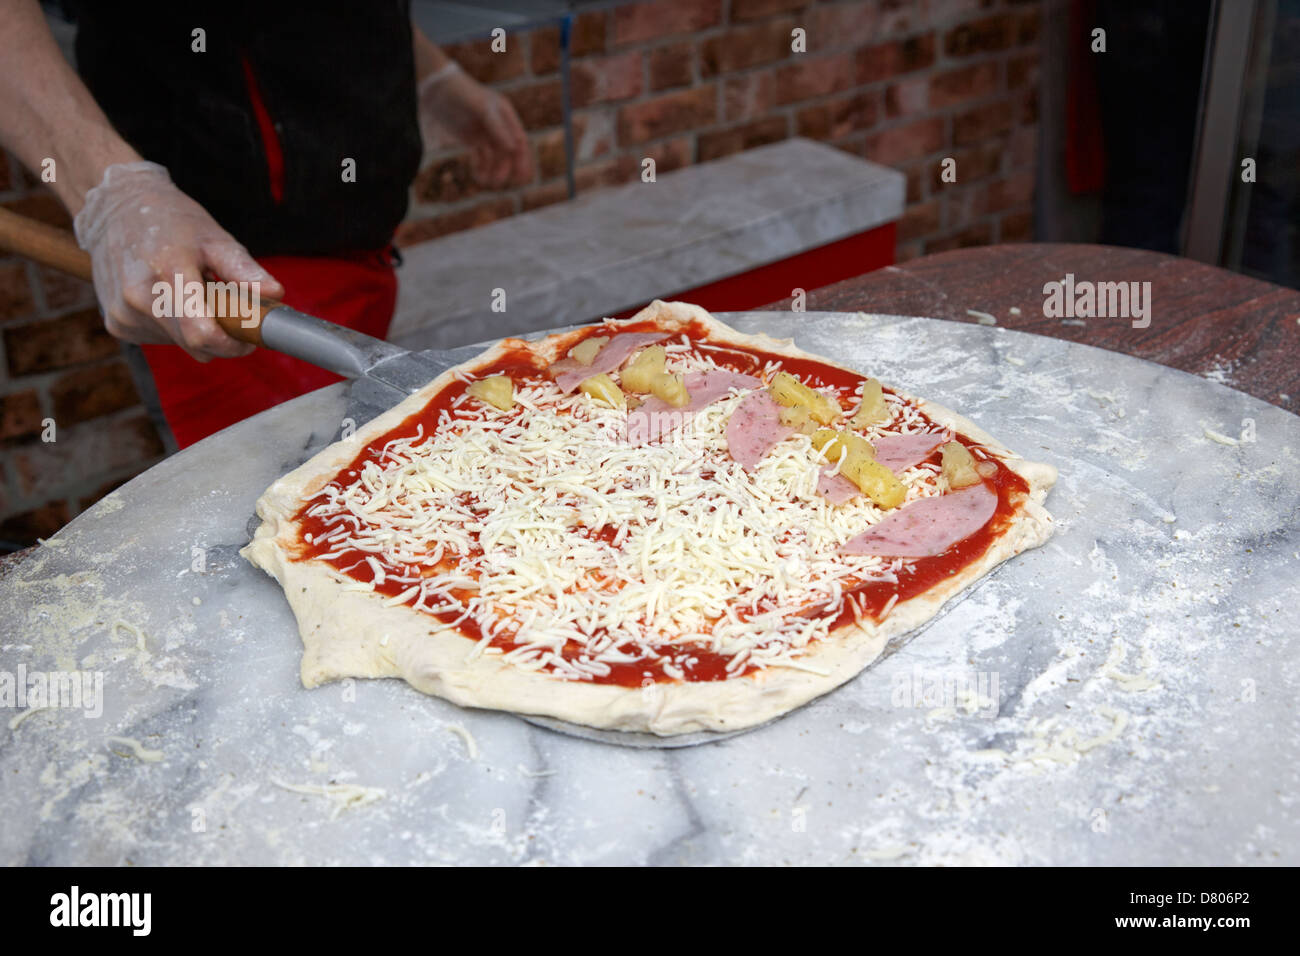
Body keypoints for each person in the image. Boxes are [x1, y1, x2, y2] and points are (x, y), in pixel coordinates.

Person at [0, 0, 532, 446]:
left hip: (359, 255)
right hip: (212, 273)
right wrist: (111, 191)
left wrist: (435, 78)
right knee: (265, 518)